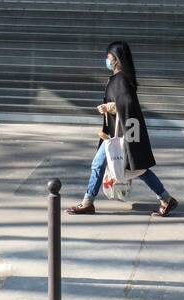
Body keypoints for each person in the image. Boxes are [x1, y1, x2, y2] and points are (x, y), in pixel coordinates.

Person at [68, 41, 177, 217]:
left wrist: (109, 107)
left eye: (109, 56)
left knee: (132, 168)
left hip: (122, 134)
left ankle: (88, 203)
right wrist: (109, 108)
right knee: (134, 168)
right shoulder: (120, 78)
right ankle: (165, 199)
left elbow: (127, 104)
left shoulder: (122, 80)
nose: (107, 59)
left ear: (117, 59)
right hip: (119, 133)